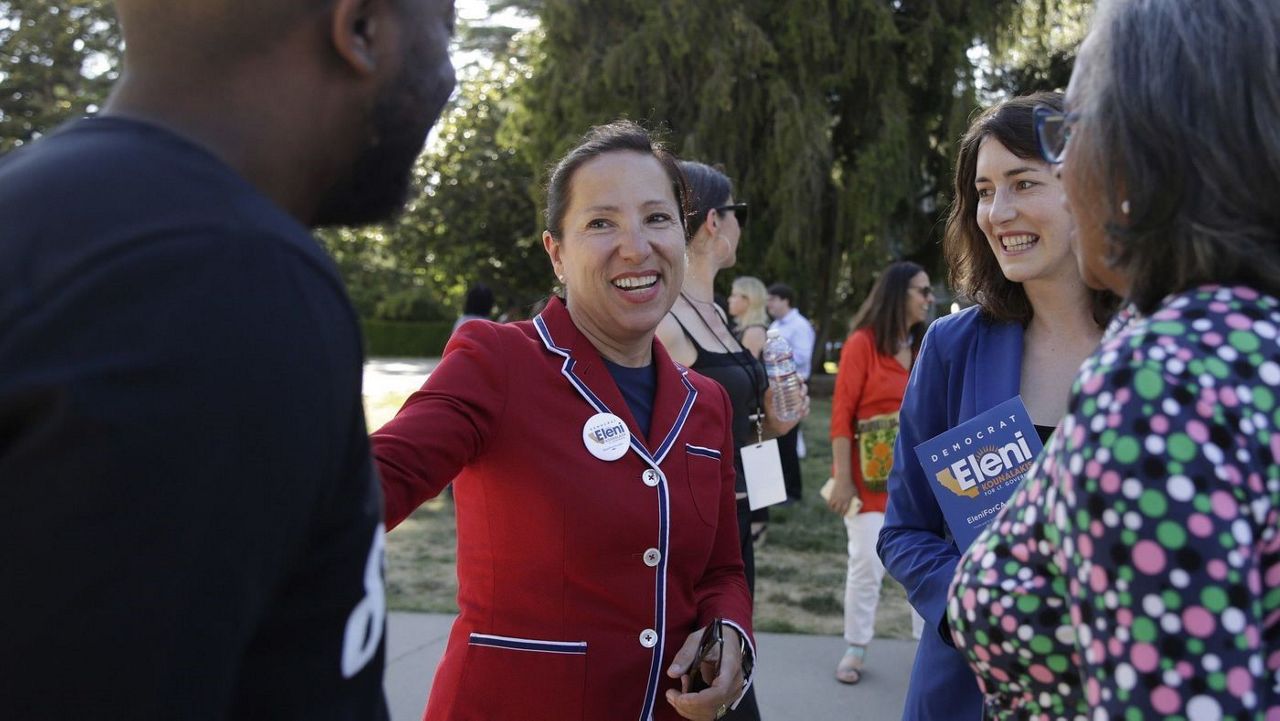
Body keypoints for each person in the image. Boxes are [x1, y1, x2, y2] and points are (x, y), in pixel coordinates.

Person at [0, 0, 456, 718]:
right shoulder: (219, 275)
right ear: (360, 29)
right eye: (447, 32)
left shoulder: (53, 211)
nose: (450, 75)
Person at [949, 1, 1280, 718]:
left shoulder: (1164, 385)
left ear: (1148, 147)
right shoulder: (1243, 342)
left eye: (1069, 132)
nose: (1066, 170)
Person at [372, 122, 755, 721]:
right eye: (601, 223)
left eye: (657, 218)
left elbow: (722, 569)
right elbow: (373, 481)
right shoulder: (496, 360)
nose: (636, 246)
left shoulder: (706, 402)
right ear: (557, 252)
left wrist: (729, 628)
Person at [877, 91, 1118, 721]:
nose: (998, 211)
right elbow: (905, 531)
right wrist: (980, 608)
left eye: (1023, 182)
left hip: (1122, 684)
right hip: (974, 689)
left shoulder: (1158, 348)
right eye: (983, 191)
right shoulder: (953, 347)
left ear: (1089, 185)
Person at [657, 160, 805, 721]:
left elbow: (746, 421)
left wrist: (777, 413)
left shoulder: (716, 313)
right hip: (694, 530)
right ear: (715, 222)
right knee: (708, 675)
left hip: (735, 515)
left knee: (730, 664)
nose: (743, 226)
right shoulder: (667, 319)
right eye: (737, 214)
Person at [826, 261, 932, 684]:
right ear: (898, 294)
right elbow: (840, 416)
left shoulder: (930, 343)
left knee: (925, 566)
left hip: (922, 482)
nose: (929, 299)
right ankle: (855, 647)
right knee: (867, 563)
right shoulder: (862, 344)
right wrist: (842, 478)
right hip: (868, 481)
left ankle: (930, 653)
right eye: (922, 291)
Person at [765, 283, 815, 501]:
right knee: (777, 440)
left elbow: (803, 356)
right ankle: (780, 491)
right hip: (777, 388)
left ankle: (794, 492)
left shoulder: (800, 325)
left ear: (785, 300)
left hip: (794, 387)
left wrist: (779, 358)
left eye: (773, 299)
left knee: (788, 440)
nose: (769, 304)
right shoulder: (776, 324)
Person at [728, 276, 770, 359]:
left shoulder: (754, 331)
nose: (729, 299)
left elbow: (749, 368)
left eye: (734, 295)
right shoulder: (741, 329)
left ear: (748, 299)